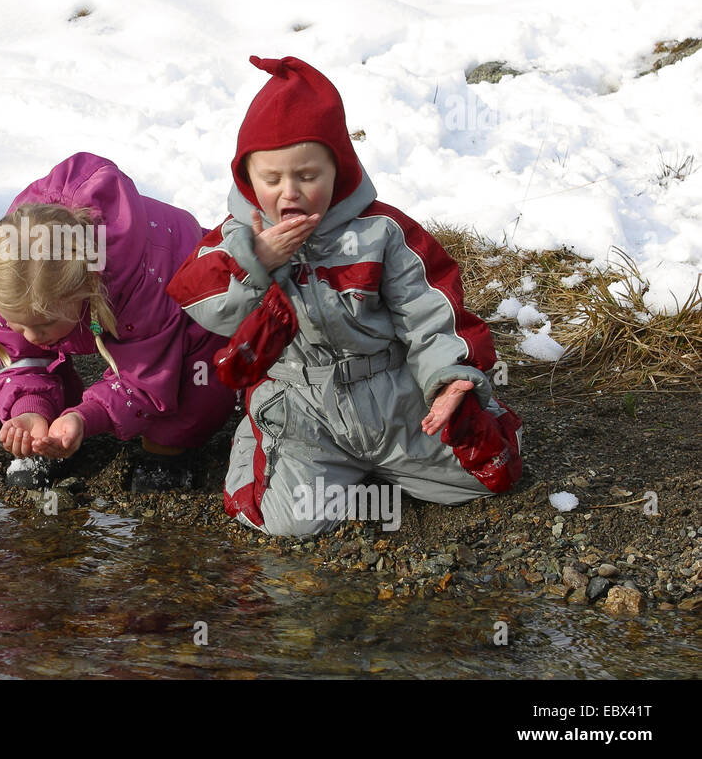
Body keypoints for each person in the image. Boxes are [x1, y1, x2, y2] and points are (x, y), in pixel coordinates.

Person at [166, 56, 522, 536]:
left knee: (488, 477)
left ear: (339, 169)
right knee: (287, 525)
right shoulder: (236, 239)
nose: (289, 192)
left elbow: (431, 313)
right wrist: (259, 262)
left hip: (393, 399)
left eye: (308, 176)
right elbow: (199, 301)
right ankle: (275, 451)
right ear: (248, 179)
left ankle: (409, 449)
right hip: (302, 406)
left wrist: (447, 377)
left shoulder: (382, 232)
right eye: (271, 179)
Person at [0, 153, 237, 491]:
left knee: (197, 368)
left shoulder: (143, 285)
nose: (31, 337)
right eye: (18, 323)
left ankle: (167, 447)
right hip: (84, 297)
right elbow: (3, 349)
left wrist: (87, 416)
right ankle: (46, 428)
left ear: (84, 293)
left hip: (186, 297)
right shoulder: (9, 274)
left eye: (42, 326)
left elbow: (147, 373)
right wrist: (30, 408)